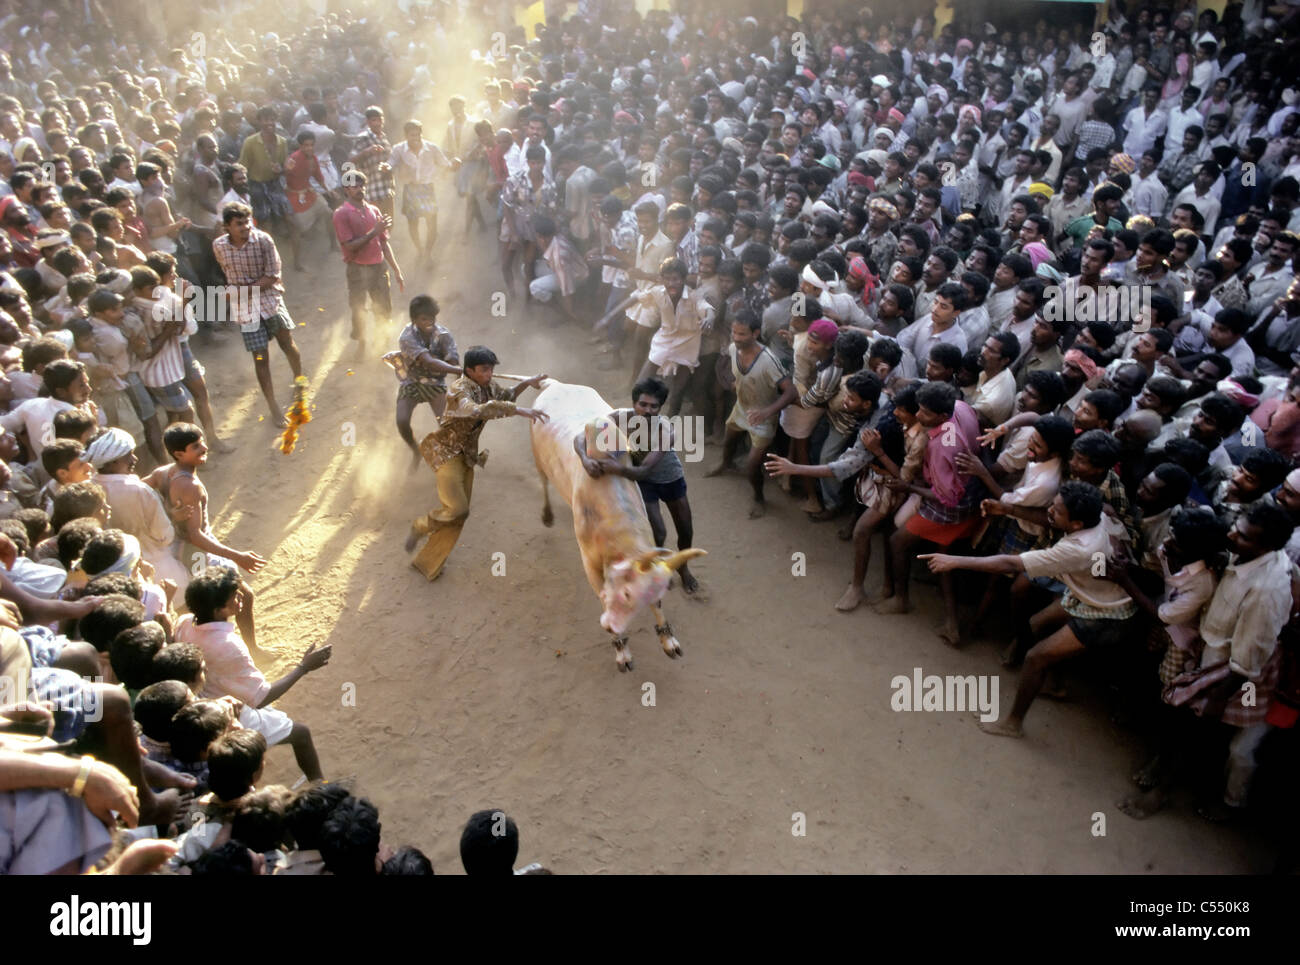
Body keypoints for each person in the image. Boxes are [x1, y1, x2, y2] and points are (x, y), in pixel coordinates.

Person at [921, 482, 1139, 737]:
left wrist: (955, 560)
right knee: (1037, 625)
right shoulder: (1097, 514)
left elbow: (1011, 563)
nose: (1050, 512)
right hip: (1095, 594)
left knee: (1036, 657)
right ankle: (1055, 685)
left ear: (1077, 523)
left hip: (1104, 612)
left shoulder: (1078, 549)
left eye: (1057, 511)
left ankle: (1012, 723)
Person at [405, 347, 548, 579]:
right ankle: (420, 526)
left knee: (459, 514)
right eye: (484, 370)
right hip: (446, 454)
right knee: (458, 509)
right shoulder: (458, 389)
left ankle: (428, 563)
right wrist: (518, 411)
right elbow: (475, 410)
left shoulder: (488, 387)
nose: (489, 374)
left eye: (491, 369)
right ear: (469, 370)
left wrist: (527, 383)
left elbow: (507, 396)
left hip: (468, 457)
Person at [144, 422, 266, 647]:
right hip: (196, 553)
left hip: (180, 552)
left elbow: (140, 492)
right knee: (238, 599)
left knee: (208, 607)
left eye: (202, 442)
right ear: (179, 454)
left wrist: (167, 513)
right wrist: (237, 556)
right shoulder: (190, 486)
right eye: (196, 446)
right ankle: (245, 650)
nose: (204, 448)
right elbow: (194, 535)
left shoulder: (162, 473)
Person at [574, 376, 699, 593]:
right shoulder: (619, 417)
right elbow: (579, 437)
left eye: (654, 406)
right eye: (643, 404)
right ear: (634, 404)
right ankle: (661, 568)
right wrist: (585, 459)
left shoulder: (665, 430)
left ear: (661, 408)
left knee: (685, 530)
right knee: (657, 532)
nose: (647, 410)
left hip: (669, 479)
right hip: (644, 484)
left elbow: (645, 470)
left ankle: (683, 568)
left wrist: (609, 466)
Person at [211, 202, 304, 426]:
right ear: (227, 227)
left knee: (287, 343)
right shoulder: (219, 246)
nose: (245, 227)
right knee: (260, 358)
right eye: (239, 224)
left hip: (270, 300)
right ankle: (273, 408)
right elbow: (226, 272)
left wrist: (241, 291)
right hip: (246, 309)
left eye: (247, 222)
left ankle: (300, 382)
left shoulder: (263, 240)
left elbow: (272, 276)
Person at [706, 310, 797, 519]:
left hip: (763, 418)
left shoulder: (768, 360)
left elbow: (790, 391)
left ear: (755, 333)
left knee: (752, 464)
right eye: (734, 333)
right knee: (729, 440)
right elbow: (737, 374)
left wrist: (768, 411)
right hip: (741, 408)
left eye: (742, 334)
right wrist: (734, 383)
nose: (736, 339)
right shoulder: (732, 349)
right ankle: (725, 464)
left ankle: (758, 497)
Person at [332, 170, 405, 360]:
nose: (360, 189)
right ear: (346, 190)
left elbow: (384, 243)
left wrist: (396, 270)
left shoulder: (374, 210)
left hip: (378, 266)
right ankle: (363, 343)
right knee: (358, 308)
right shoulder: (341, 214)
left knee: (384, 307)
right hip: (357, 268)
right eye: (354, 186)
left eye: (362, 185)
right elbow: (349, 245)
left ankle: (381, 345)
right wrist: (374, 231)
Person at [385, 295, 460, 466]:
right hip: (412, 382)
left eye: (432, 318)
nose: (429, 322)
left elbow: (453, 360)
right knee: (402, 421)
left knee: (446, 426)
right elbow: (429, 361)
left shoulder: (444, 335)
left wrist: (461, 376)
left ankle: (446, 461)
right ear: (414, 319)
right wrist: (456, 370)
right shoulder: (406, 337)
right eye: (423, 318)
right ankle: (416, 450)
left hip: (436, 384)